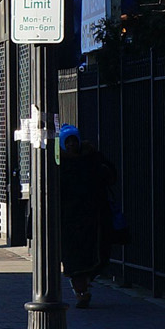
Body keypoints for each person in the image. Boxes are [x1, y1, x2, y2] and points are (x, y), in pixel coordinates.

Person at [59, 124, 117, 308]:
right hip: (69, 219)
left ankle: (84, 284)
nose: (71, 145)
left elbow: (110, 175)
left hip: (93, 216)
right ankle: (81, 292)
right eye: (67, 142)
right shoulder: (59, 163)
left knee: (96, 254)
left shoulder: (92, 158)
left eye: (73, 141)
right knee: (74, 259)